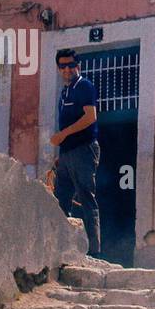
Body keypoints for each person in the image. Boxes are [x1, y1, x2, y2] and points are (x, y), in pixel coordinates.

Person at [51, 48, 102, 257]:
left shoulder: (84, 86)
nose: (67, 69)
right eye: (63, 66)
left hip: (84, 149)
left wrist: (63, 134)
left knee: (86, 197)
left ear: (77, 65)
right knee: (60, 199)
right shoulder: (64, 92)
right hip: (67, 153)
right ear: (58, 68)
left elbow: (90, 117)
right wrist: (61, 155)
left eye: (71, 65)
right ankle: (62, 249)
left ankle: (94, 251)